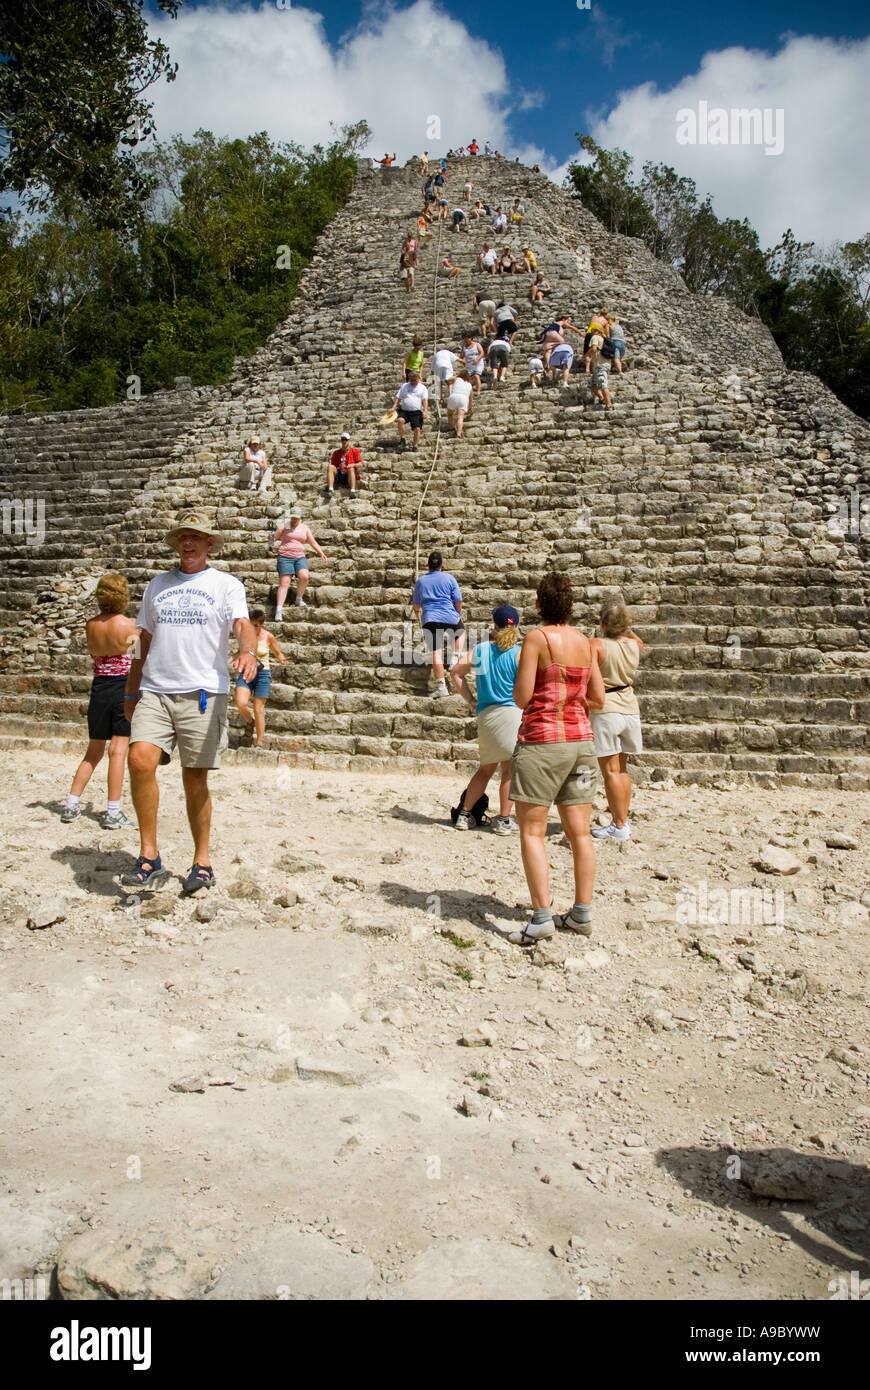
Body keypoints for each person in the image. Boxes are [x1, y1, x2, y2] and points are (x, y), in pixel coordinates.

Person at [121, 511, 257, 894]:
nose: (188, 542)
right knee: (138, 759)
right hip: (156, 690)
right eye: (183, 535)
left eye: (196, 536)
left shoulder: (226, 584)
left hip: (202, 692)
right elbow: (142, 641)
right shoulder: (157, 585)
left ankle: (202, 860)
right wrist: (131, 691)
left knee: (193, 777)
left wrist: (248, 652)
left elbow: (242, 624)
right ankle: (149, 855)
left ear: (209, 542)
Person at [507, 572, 605, 945]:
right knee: (580, 832)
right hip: (581, 742)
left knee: (532, 831)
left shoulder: (537, 639)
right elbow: (598, 699)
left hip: (543, 742)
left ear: (538, 605)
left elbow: (521, 696)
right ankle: (581, 914)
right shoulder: (585, 642)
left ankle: (541, 917)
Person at [61, 573, 138, 829]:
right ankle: (113, 811)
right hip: (122, 687)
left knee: (93, 750)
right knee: (118, 750)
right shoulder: (127, 625)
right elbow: (138, 658)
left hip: (99, 686)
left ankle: (71, 804)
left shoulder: (91, 624)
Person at [450, 605, 522, 835]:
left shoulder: (480, 650)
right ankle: (503, 819)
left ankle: (464, 814)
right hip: (512, 714)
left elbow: (455, 673)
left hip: (486, 714)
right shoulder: (519, 653)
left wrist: (471, 700)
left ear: (494, 625)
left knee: (485, 770)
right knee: (509, 770)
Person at [590, 599, 643, 839]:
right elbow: (633, 636)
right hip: (630, 707)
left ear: (602, 624)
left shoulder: (597, 645)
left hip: (607, 708)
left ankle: (619, 824)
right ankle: (621, 818)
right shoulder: (635, 645)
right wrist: (626, 627)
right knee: (622, 769)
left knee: (610, 771)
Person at [412, 552, 464, 697]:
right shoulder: (449, 578)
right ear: (441, 565)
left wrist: (418, 613)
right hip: (449, 615)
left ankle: (441, 686)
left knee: (436, 652)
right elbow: (458, 600)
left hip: (430, 618)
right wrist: (458, 613)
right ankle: (455, 658)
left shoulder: (421, 581)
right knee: (460, 632)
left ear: (428, 565)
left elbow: (416, 604)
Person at [235, 608, 288, 749]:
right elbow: (239, 652)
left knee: (259, 708)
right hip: (247, 671)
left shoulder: (268, 637)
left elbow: (277, 652)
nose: (253, 628)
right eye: (251, 625)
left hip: (263, 674)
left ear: (262, 624)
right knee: (241, 702)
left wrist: (282, 658)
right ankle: (249, 721)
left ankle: (259, 741)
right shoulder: (244, 636)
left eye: (256, 625)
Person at [273, 508, 328, 616]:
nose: (294, 520)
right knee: (285, 582)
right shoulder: (284, 526)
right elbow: (272, 540)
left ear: (300, 518)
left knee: (304, 576)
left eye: (296, 518)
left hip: (299, 557)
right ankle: (278, 609)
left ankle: (298, 598)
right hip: (285, 556)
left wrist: (321, 552)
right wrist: (271, 537)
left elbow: (312, 542)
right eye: (292, 518)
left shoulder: (304, 528)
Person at [393, 369, 428, 451]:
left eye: (415, 380)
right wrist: (394, 407)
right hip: (405, 410)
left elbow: (425, 400)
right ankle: (402, 439)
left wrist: (425, 410)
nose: (413, 382)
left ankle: (415, 445)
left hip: (416, 411)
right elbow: (398, 398)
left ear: (418, 379)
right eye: (411, 380)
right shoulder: (404, 386)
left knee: (417, 429)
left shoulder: (422, 388)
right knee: (400, 420)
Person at [327, 431, 362, 498]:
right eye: (342, 439)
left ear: (349, 441)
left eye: (346, 439)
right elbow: (333, 466)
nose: (344, 441)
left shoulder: (355, 451)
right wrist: (338, 467)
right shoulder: (336, 453)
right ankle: (330, 489)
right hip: (340, 474)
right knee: (330, 466)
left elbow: (360, 464)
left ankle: (352, 490)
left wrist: (352, 465)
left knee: (351, 469)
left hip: (349, 474)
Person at [445, 367, 473, 438]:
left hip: (454, 396)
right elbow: (470, 398)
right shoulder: (469, 385)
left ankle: (451, 427)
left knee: (450, 414)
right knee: (460, 417)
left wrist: (456, 376)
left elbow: (448, 380)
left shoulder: (457, 379)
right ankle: (459, 434)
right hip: (463, 399)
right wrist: (470, 408)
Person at [587, 335, 613, 409]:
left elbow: (594, 349)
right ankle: (602, 398)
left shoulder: (595, 337)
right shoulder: (604, 339)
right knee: (592, 385)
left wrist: (586, 356)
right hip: (602, 365)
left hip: (600, 365)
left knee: (603, 384)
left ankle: (608, 404)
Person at [461, 332, 485, 396]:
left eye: (467, 339)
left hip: (478, 363)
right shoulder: (464, 347)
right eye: (464, 339)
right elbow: (461, 357)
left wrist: (477, 359)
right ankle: (470, 392)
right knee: (468, 379)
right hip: (469, 365)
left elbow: (482, 353)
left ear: (471, 338)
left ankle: (478, 391)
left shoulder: (477, 345)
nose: (466, 340)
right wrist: (463, 362)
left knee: (476, 376)